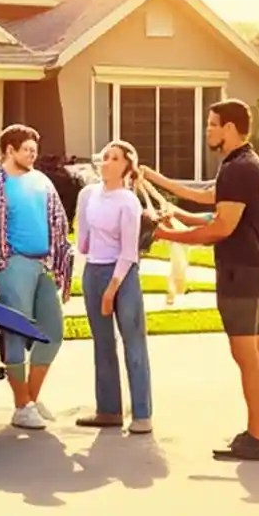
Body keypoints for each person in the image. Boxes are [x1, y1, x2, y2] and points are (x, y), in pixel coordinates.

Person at [145, 98, 259, 461]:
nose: (207, 130)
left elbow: (220, 228)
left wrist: (164, 237)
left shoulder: (239, 168)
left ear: (229, 128)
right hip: (252, 269)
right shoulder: (244, 164)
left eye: (212, 124)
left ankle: (256, 437)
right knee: (258, 350)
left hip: (239, 271)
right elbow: (211, 202)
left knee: (246, 355)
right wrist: (158, 184)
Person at [0, 124, 74, 430]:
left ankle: (30, 399)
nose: (32, 155)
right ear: (9, 150)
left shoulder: (41, 180)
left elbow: (58, 220)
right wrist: (0, 261)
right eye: (27, 150)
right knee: (14, 333)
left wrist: (59, 261)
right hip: (12, 263)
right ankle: (21, 406)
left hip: (45, 264)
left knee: (53, 331)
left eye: (34, 150)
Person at [74, 140, 153, 434]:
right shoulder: (87, 195)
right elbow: (82, 241)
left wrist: (111, 290)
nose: (105, 161)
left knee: (134, 342)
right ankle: (108, 410)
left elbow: (129, 252)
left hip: (123, 274)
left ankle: (142, 414)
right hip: (93, 272)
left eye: (114, 158)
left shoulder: (128, 201)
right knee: (102, 344)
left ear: (125, 166)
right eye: (104, 156)